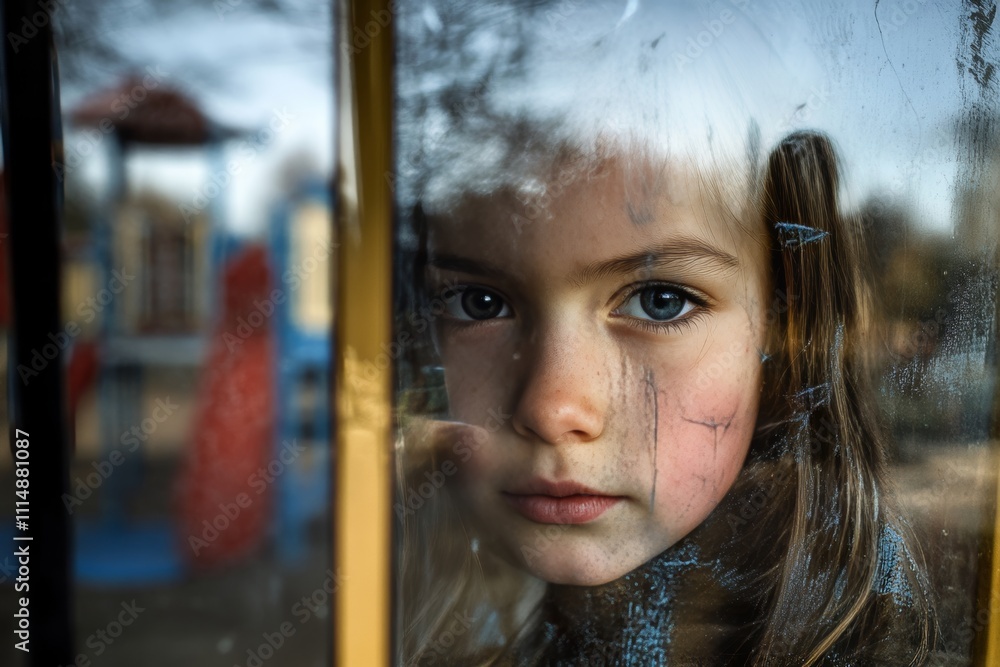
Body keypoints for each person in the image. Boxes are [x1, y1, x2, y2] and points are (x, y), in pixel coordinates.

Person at [394, 122, 936, 665]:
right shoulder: (394, 556)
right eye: (479, 303)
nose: (551, 411)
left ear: (782, 323)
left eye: (660, 300)